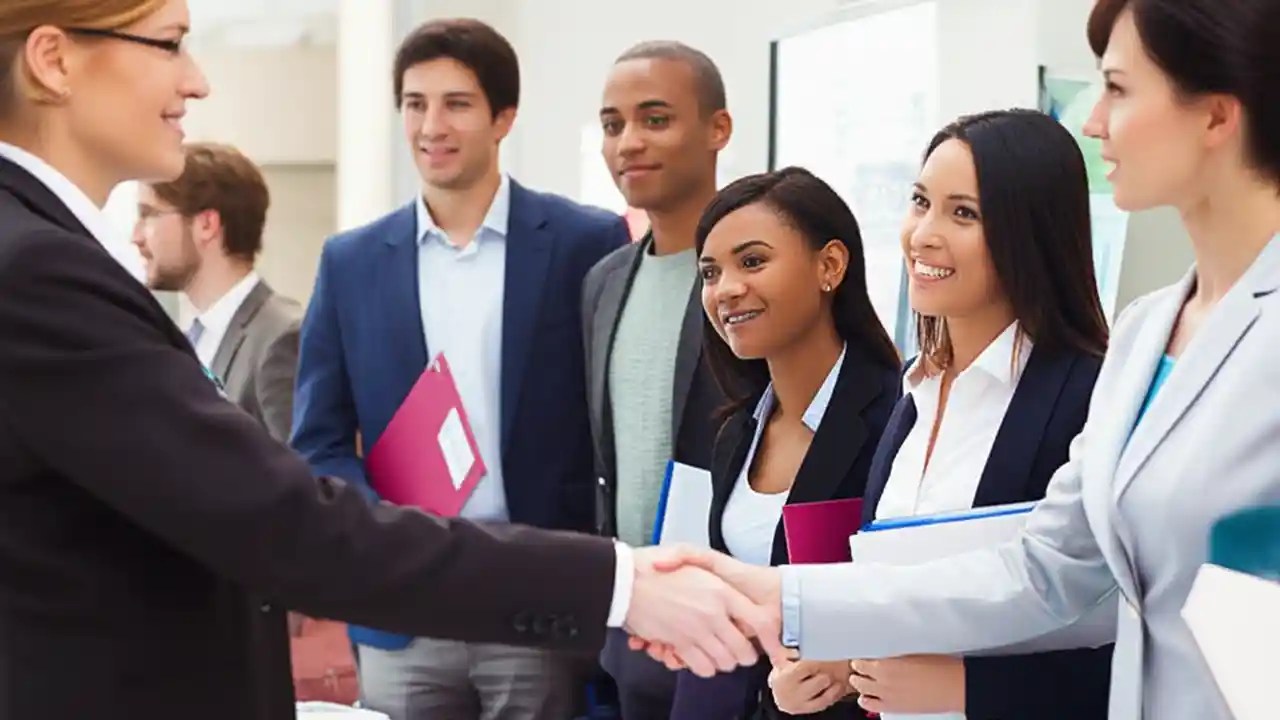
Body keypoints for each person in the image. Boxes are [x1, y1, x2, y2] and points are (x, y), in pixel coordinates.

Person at [0, 3, 780, 719]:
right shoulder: (38, 271)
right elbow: (285, 511)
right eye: (170, 44)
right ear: (53, 61)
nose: (196, 79)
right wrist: (619, 583)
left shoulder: (581, 244)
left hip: (524, 604)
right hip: (406, 603)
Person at [641, 0, 1280, 717]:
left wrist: (976, 691)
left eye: (1120, 89)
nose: (1094, 119)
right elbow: (1046, 571)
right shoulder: (1145, 333)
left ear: (1217, 116)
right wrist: (778, 597)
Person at [287, 17, 640, 720]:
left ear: (503, 117)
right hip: (403, 602)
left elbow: (608, 422)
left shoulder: (583, 241)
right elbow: (319, 440)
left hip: (535, 593)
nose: (431, 125)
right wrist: (382, 527)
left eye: (456, 103)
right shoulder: (351, 263)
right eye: (415, 104)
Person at [768, 111, 1113, 719]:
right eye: (920, 202)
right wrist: (841, 664)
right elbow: (907, 602)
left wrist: (970, 691)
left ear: (1030, 232)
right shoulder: (913, 394)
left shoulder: (1091, 393)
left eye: (963, 213)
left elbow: (1133, 635)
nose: (923, 234)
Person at [671, 167, 901, 720]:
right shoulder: (734, 433)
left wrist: (846, 672)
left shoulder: (898, 419)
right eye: (710, 272)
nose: (725, 289)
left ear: (830, 266)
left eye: (752, 262)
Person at [583, 40, 733, 719]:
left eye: (655, 118)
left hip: (729, 626)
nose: (629, 143)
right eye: (613, 125)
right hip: (628, 624)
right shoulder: (604, 281)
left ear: (717, 129)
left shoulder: (756, 273)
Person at [132, 141, 301, 444]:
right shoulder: (183, 340)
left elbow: (304, 482)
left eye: (149, 214)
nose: (136, 236)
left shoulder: (281, 337)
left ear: (207, 225)